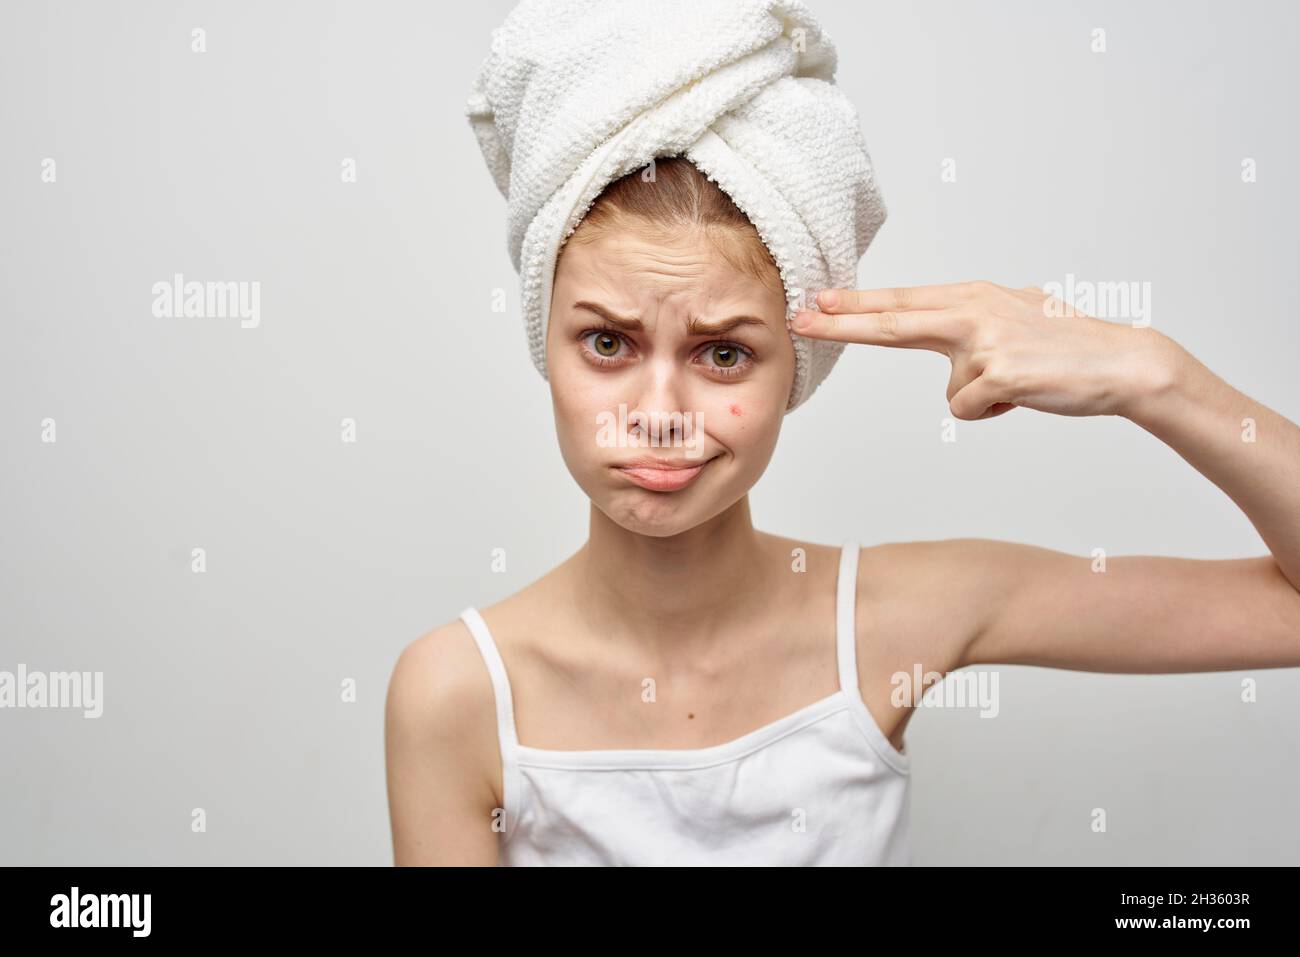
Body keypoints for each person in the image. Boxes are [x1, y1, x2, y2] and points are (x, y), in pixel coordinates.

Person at [384, 156, 1300, 866]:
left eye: (724, 355)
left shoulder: (897, 616)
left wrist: (1157, 378)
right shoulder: (456, 693)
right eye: (608, 341)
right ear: (545, 347)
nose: (657, 411)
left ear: (799, 368)